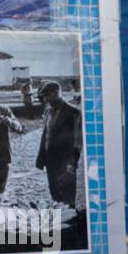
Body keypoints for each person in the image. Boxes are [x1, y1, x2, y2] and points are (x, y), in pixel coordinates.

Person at [34, 81, 81, 209]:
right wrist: (41, 159)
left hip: (66, 163)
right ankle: (60, 222)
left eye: (48, 96)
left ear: (56, 93)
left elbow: (77, 142)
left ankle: (72, 222)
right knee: (55, 195)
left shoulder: (74, 112)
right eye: (44, 96)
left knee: (68, 197)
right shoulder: (48, 112)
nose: (46, 99)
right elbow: (45, 136)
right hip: (50, 162)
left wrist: (72, 164)